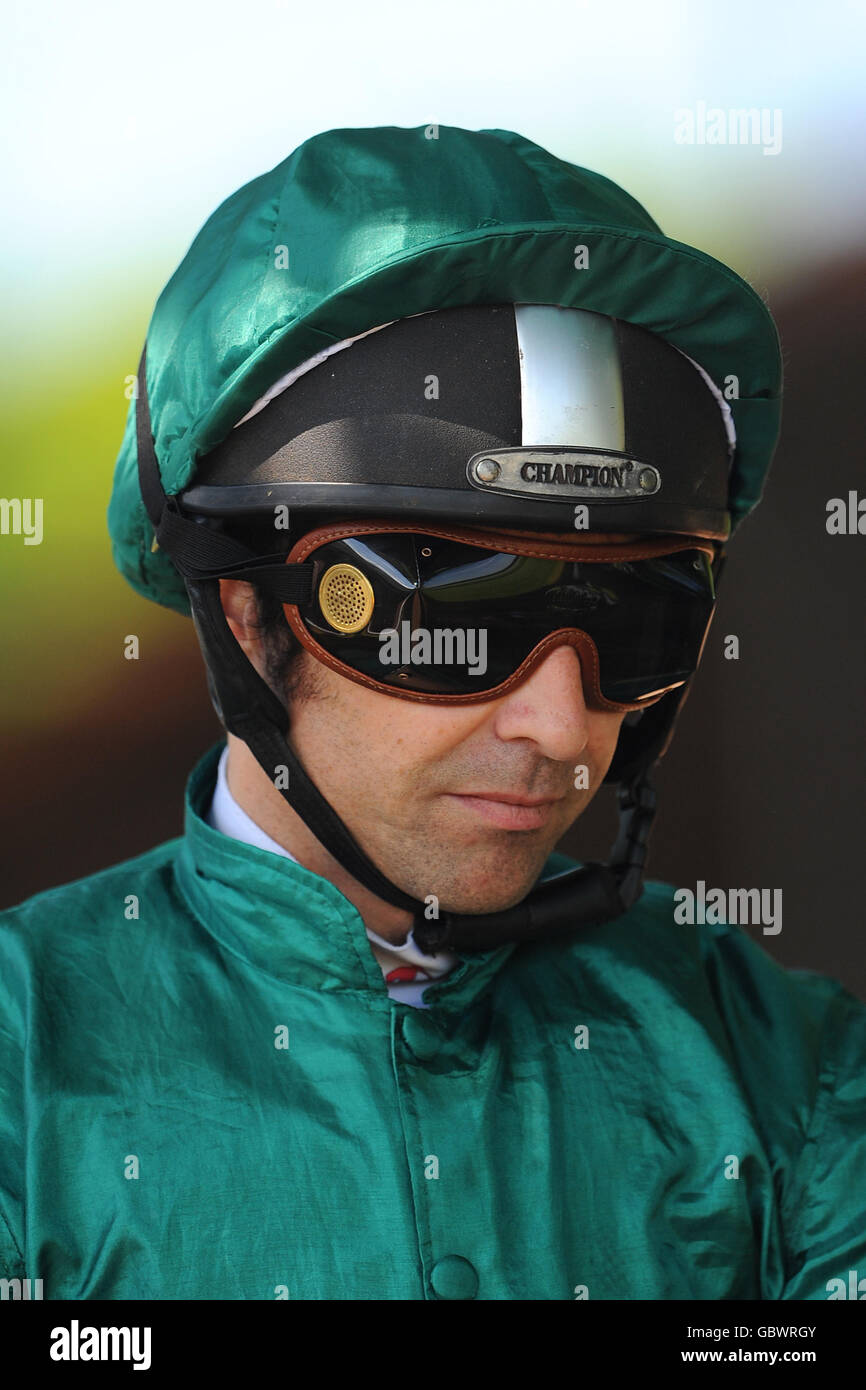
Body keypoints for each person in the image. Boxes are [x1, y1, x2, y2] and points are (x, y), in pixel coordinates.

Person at [1, 124, 864, 1302]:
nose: (562, 729)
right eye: (454, 616)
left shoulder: (796, 1070)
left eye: (631, 618)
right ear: (243, 614)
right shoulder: (19, 1067)